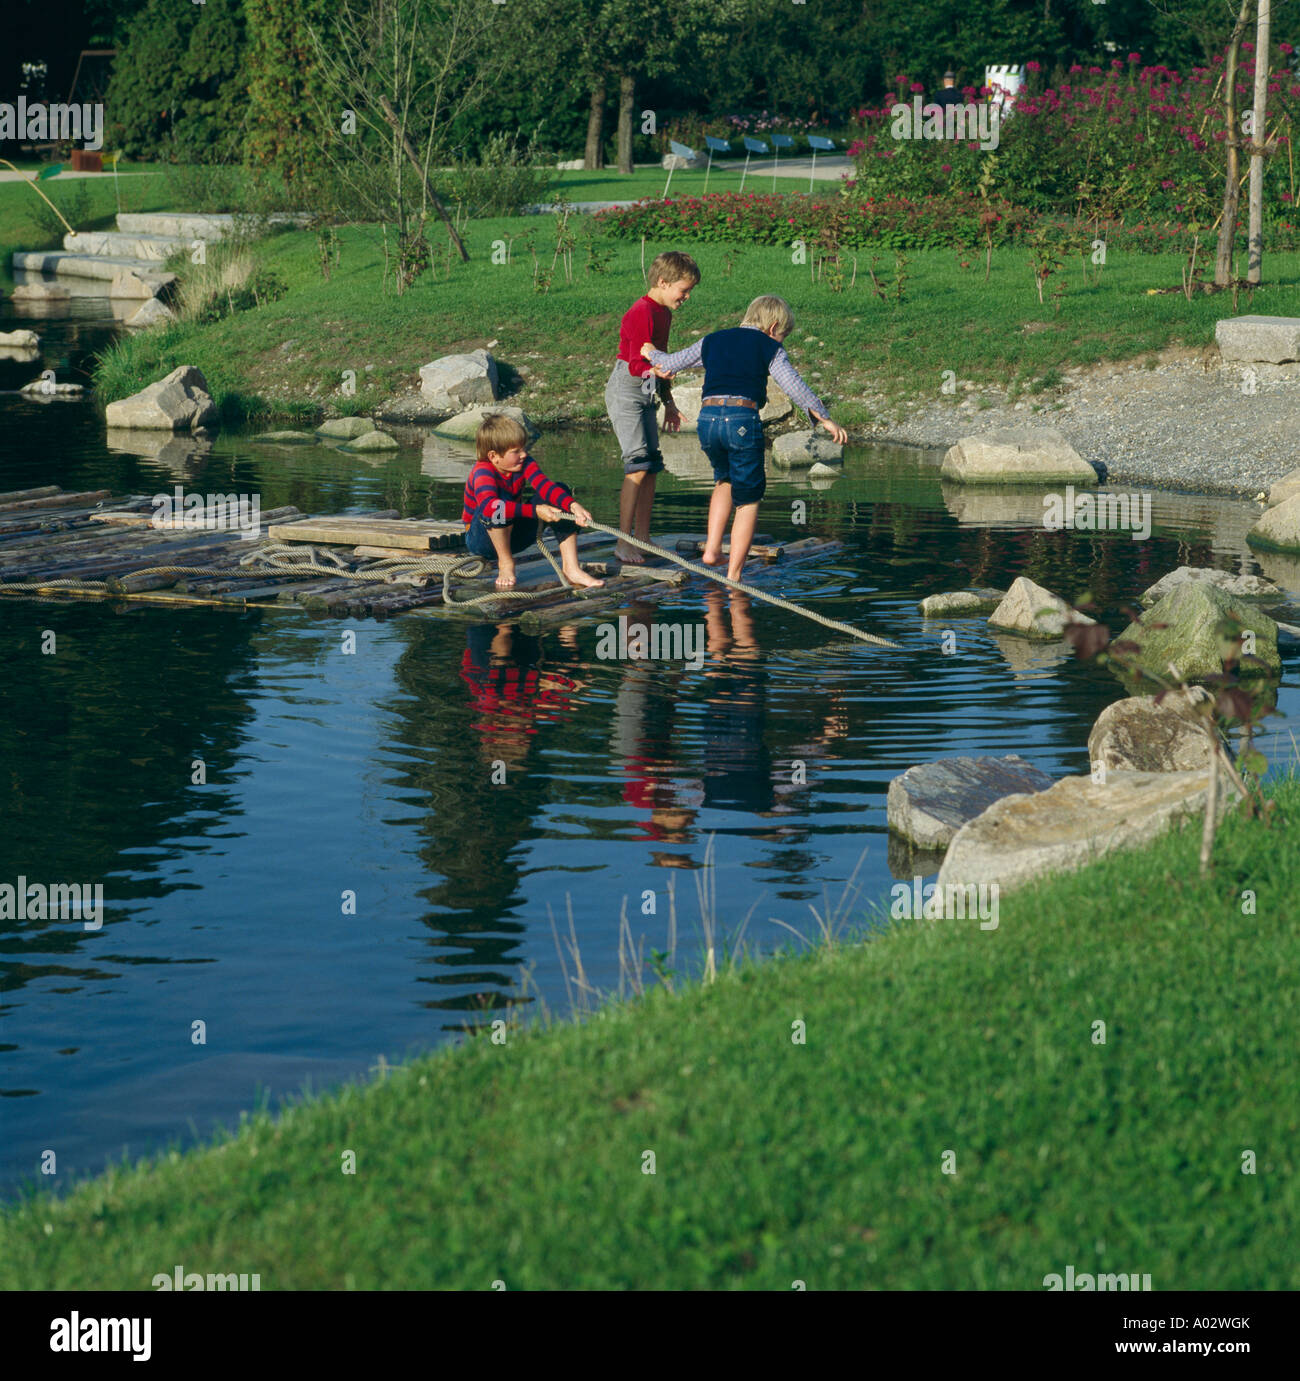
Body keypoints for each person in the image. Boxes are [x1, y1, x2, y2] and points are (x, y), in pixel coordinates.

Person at [640, 294, 847, 580]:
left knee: (724, 479)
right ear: (773, 327)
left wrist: (651, 352)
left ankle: (712, 550)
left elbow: (671, 364)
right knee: (748, 498)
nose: (782, 342)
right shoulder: (769, 347)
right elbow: (793, 385)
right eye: (783, 336)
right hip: (741, 420)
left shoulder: (713, 340)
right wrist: (823, 417)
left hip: (708, 420)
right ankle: (734, 576)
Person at [605, 250, 701, 564]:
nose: (686, 297)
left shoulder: (664, 313)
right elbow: (636, 364)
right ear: (662, 282)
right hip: (627, 390)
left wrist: (669, 403)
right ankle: (623, 542)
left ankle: (643, 538)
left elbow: (660, 359)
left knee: (652, 466)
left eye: (689, 291)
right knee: (637, 464)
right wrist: (657, 370)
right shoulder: (641, 312)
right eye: (683, 290)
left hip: (646, 393)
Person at [461, 413, 602, 591]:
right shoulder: (483, 471)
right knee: (497, 505)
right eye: (516, 451)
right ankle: (505, 563)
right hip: (482, 541)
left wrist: (573, 506)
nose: (524, 454)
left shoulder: (523, 462)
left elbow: (545, 487)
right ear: (494, 456)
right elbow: (490, 508)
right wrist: (535, 510)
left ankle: (571, 568)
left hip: (514, 535)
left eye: (524, 448)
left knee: (559, 490)